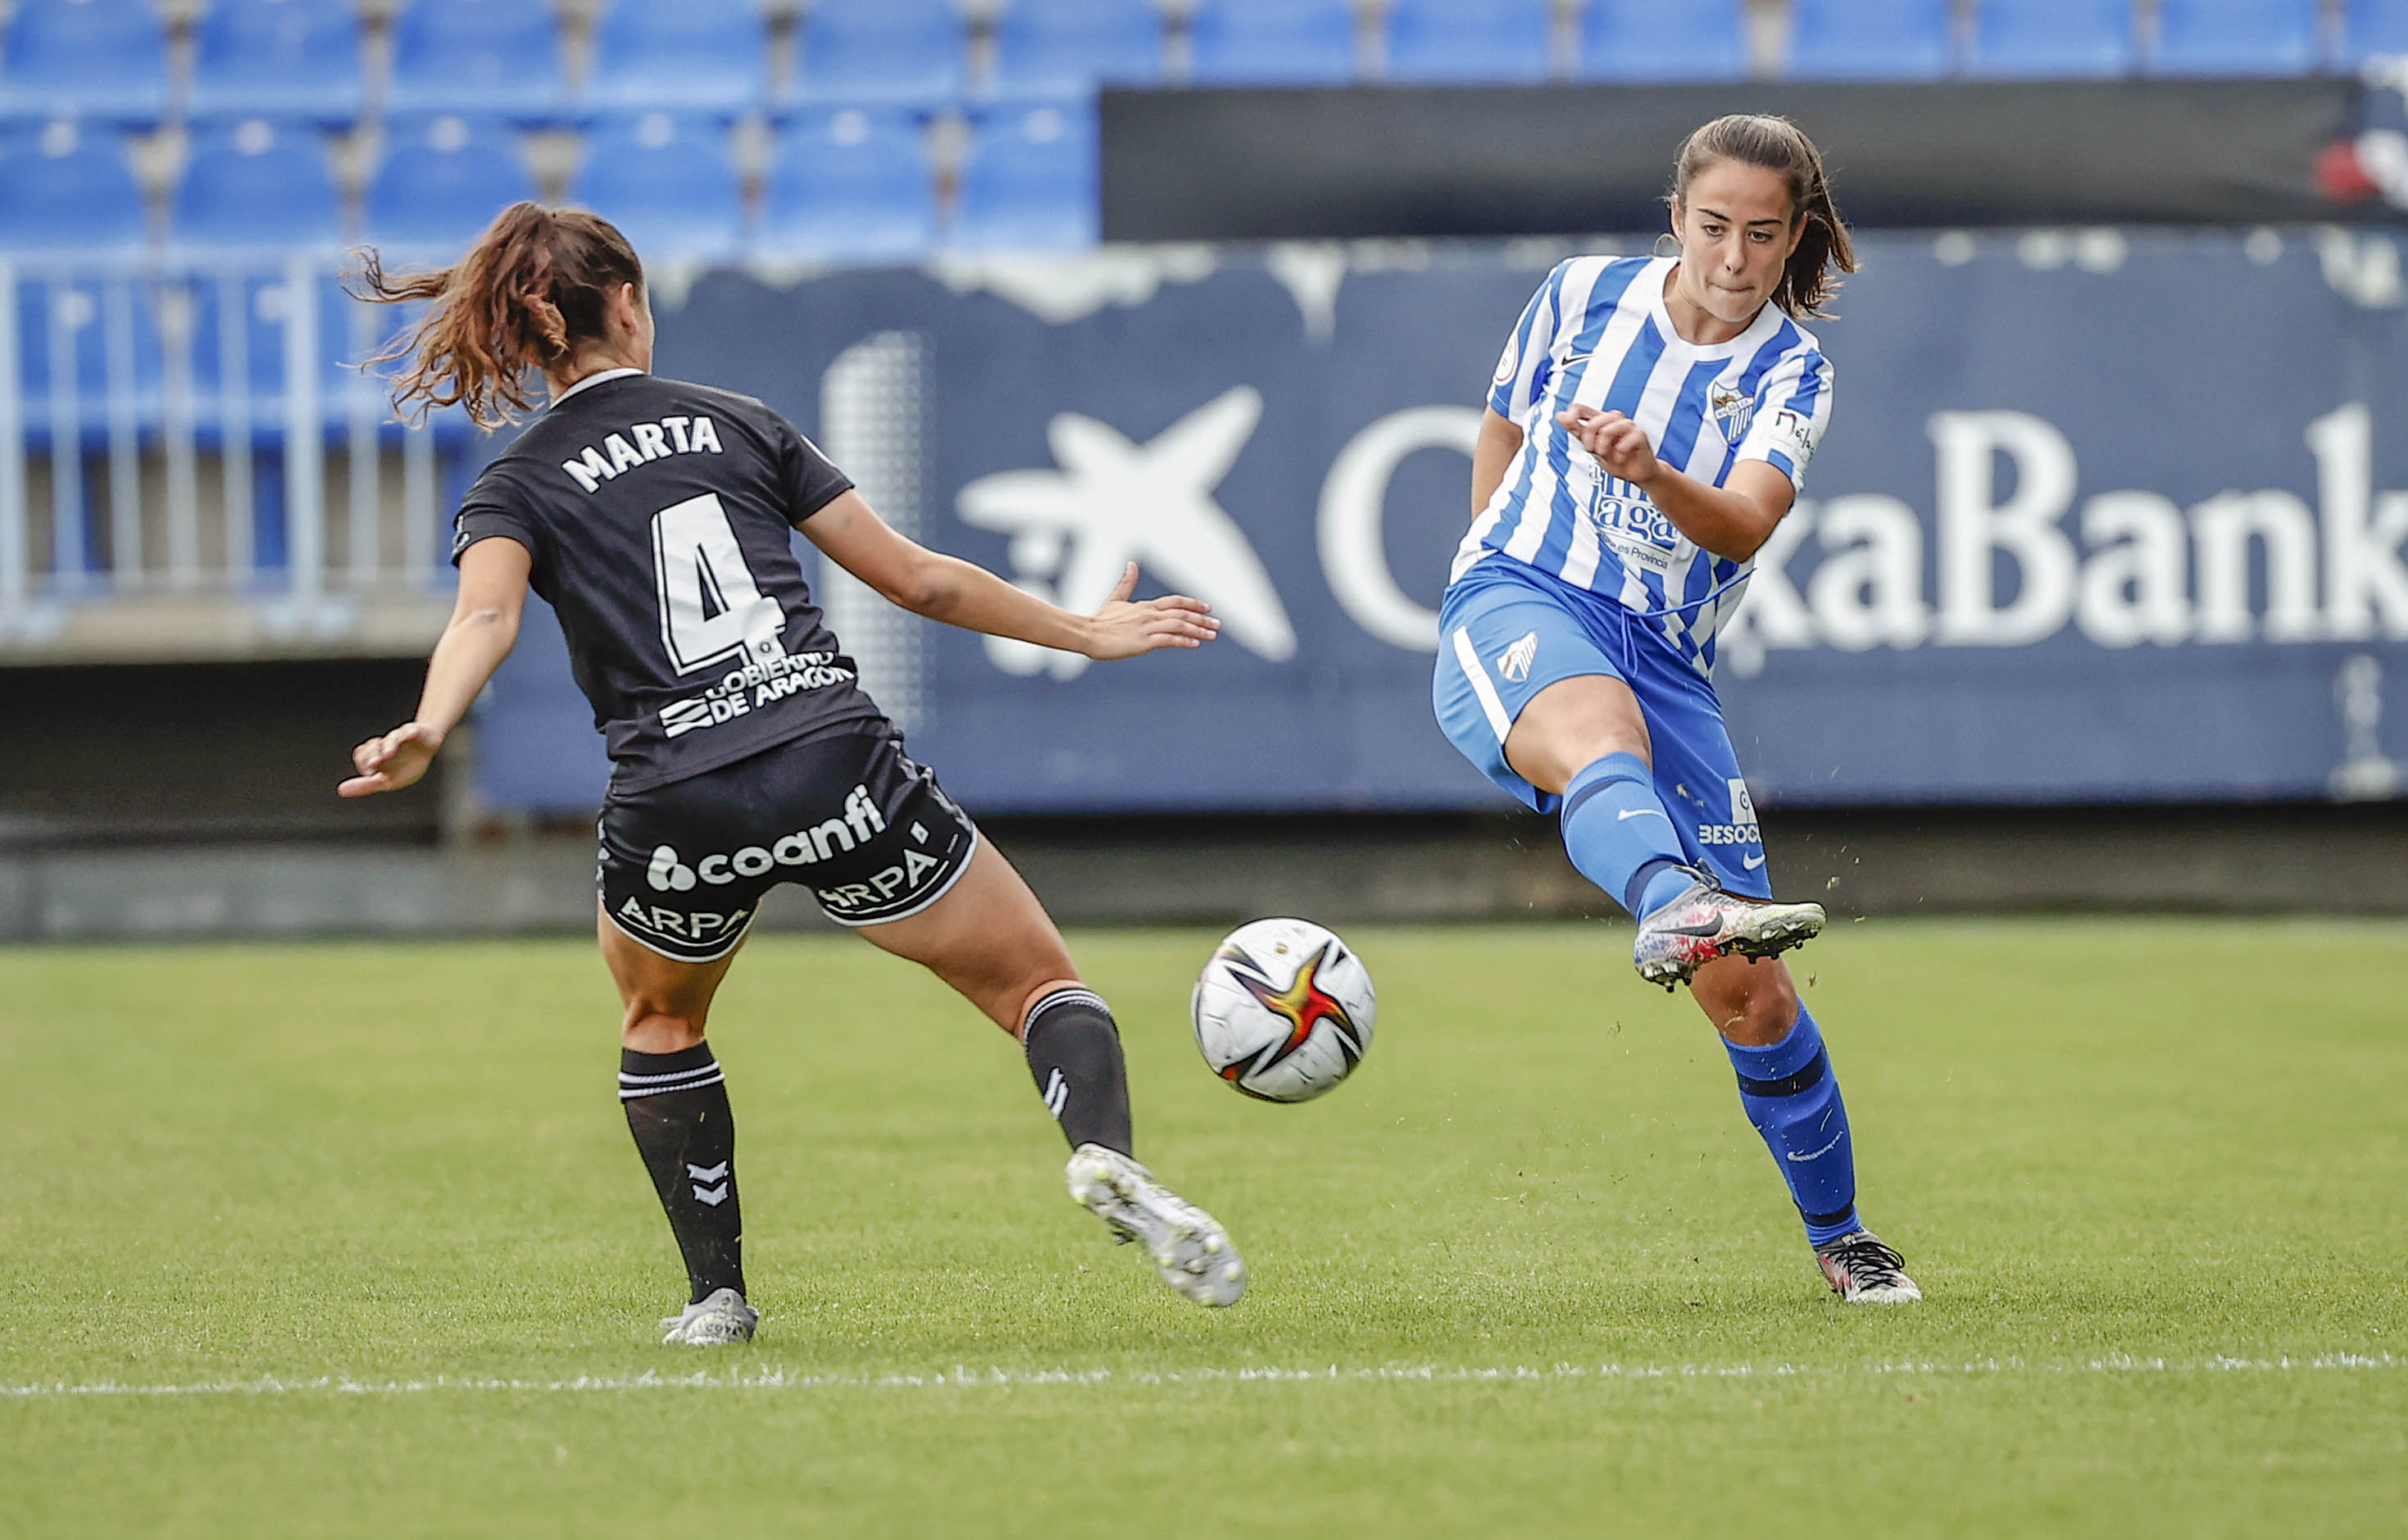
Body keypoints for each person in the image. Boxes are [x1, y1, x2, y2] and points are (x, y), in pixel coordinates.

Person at [337, 204, 1247, 1344]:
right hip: (829, 757)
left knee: (660, 1020)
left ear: (524, 337)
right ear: (628, 303)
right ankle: (1107, 1156)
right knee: (1036, 987)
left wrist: (430, 724)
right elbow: (916, 580)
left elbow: (485, 616)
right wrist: (1082, 630)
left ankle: (716, 1299)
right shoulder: (738, 422)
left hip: (678, 798)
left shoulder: (514, 482)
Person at [1431, 116, 1920, 1304]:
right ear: (1676, 218)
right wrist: (1484, 562)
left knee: (1752, 991)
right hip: (1524, 595)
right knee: (1602, 736)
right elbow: (1502, 424)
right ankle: (1668, 899)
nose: (1733, 258)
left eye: (1761, 234)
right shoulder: (1577, 295)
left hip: (1665, 658)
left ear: (1794, 238)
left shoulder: (1793, 372)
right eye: (1713, 227)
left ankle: (1845, 1241)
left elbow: (1744, 524)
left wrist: (1651, 472)